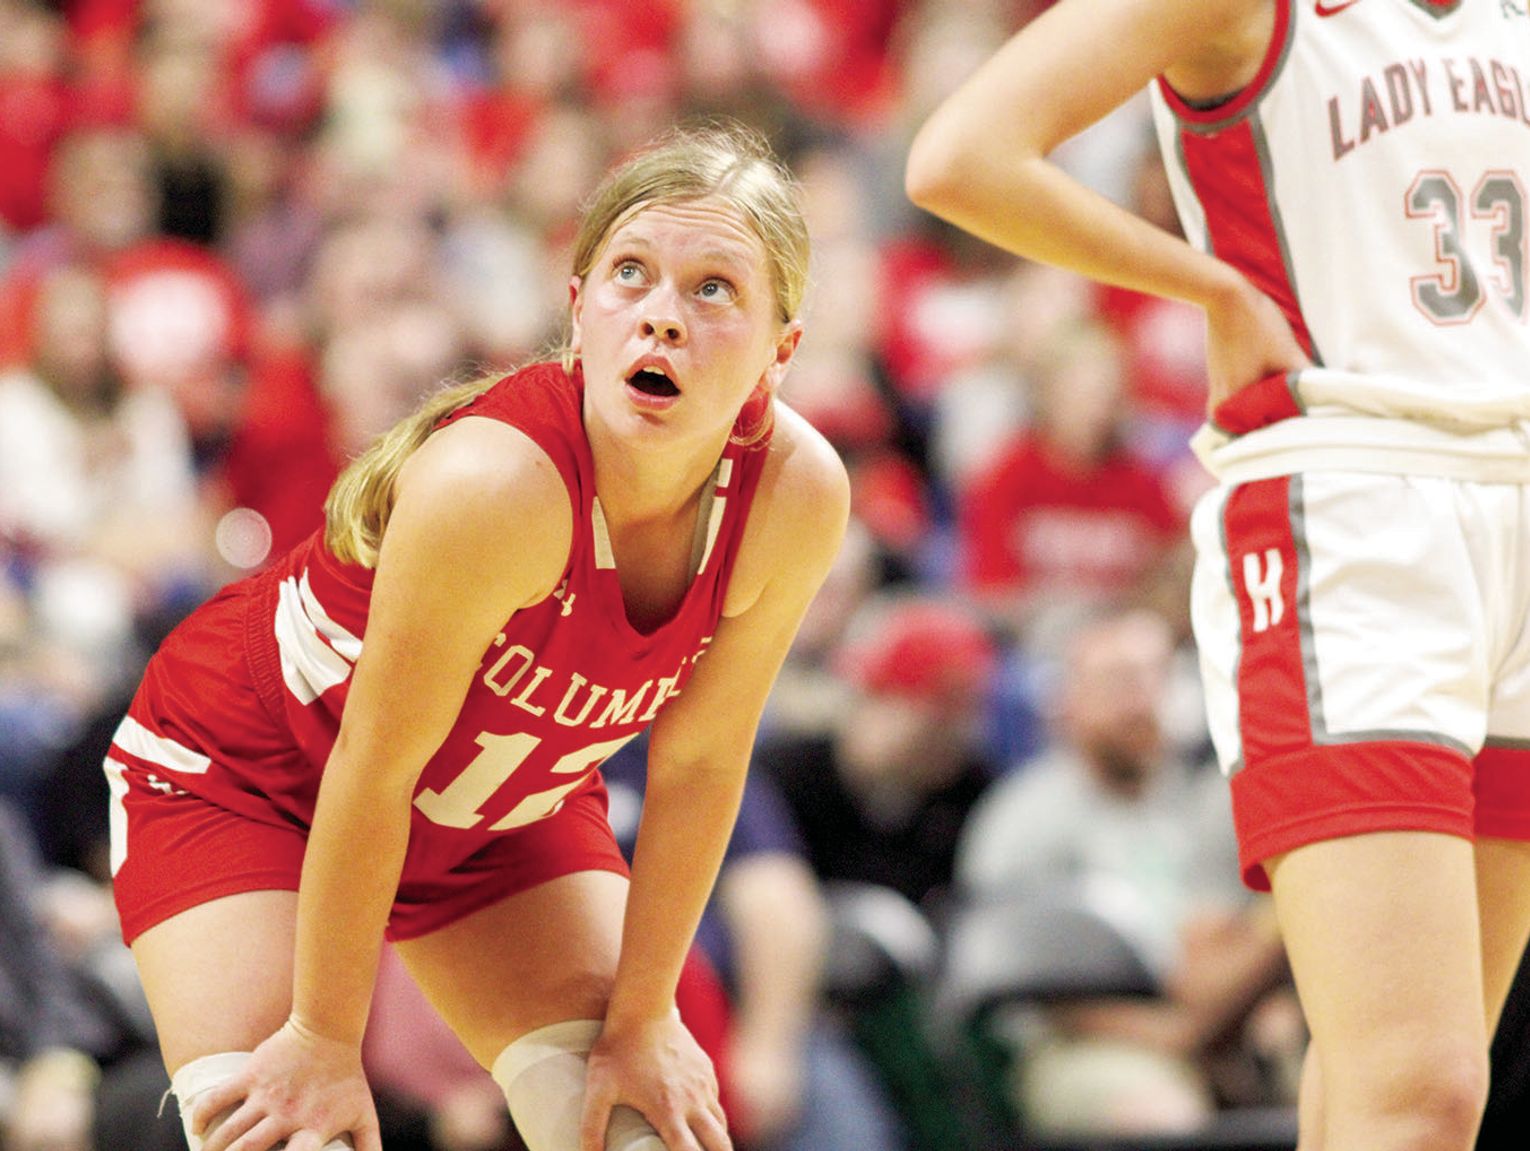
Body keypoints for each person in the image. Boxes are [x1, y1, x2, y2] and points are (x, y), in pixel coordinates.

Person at [102, 120, 850, 1151]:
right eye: (631, 274)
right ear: (579, 307)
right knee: (284, 1137)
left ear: (782, 348)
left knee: (642, 1128)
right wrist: (324, 1035)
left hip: (497, 813)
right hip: (255, 775)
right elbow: (372, 762)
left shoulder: (796, 493)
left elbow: (705, 760)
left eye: (714, 287)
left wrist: (645, 1016)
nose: (662, 319)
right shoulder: (496, 483)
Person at [906, 4, 1530, 1151]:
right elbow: (961, 155)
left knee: (1411, 1087)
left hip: (1514, 493)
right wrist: (1212, 289)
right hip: (1349, 501)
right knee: (1420, 1095)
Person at [954, 606, 1296, 1137]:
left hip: (1218, 1023)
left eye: (1153, 678)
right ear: (1067, 700)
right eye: (1116, 682)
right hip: (1081, 1040)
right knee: (1161, 1119)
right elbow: (1023, 990)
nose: (1139, 701)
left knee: (1334, 1077)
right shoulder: (1023, 818)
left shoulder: (1210, 802)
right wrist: (1172, 1033)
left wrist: (1255, 1009)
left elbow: (1226, 933)